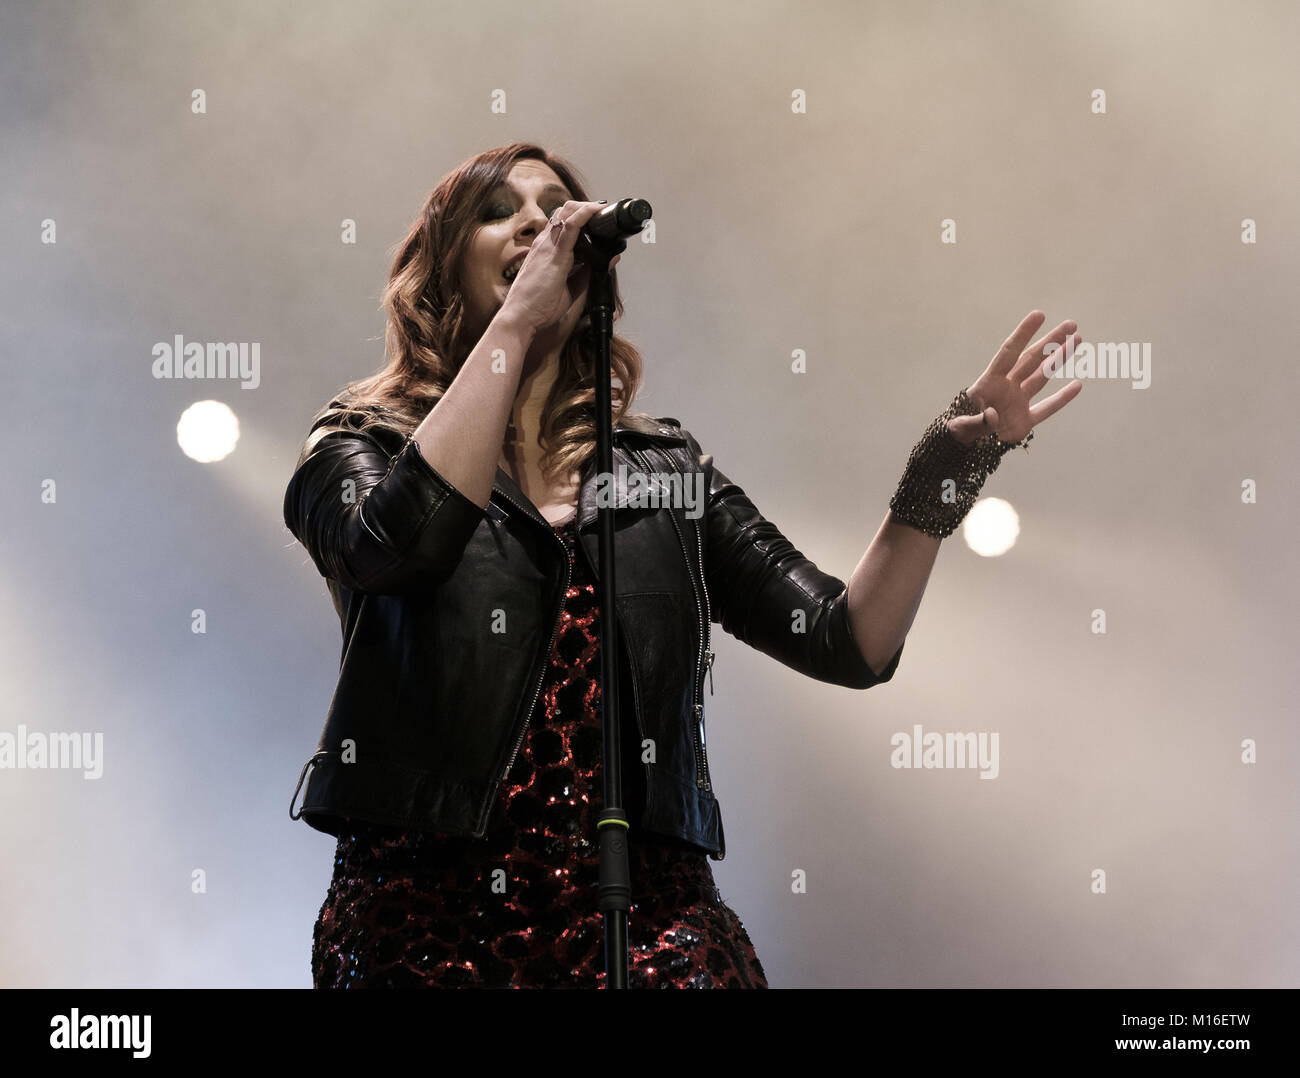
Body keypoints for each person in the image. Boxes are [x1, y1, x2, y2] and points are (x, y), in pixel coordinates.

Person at [282, 142, 1083, 989]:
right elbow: (401, 548)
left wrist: (942, 476)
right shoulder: (359, 442)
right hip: (433, 921)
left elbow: (850, 640)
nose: (539, 221)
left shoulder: (664, 472)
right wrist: (515, 323)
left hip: (649, 917)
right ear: (442, 269)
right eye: (497, 211)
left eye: (556, 205)